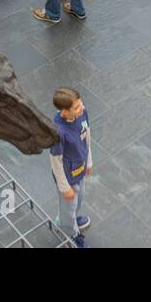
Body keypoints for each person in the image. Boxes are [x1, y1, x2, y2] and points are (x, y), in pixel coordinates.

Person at [49, 87, 93, 248]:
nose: (81, 108)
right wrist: (64, 187)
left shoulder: (82, 113)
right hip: (68, 177)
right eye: (76, 107)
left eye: (80, 104)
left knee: (79, 199)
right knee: (68, 206)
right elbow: (55, 161)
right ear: (64, 112)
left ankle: (71, 219)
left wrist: (88, 162)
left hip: (80, 170)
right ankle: (70, 234)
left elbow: (87, 135)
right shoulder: (59, 133)